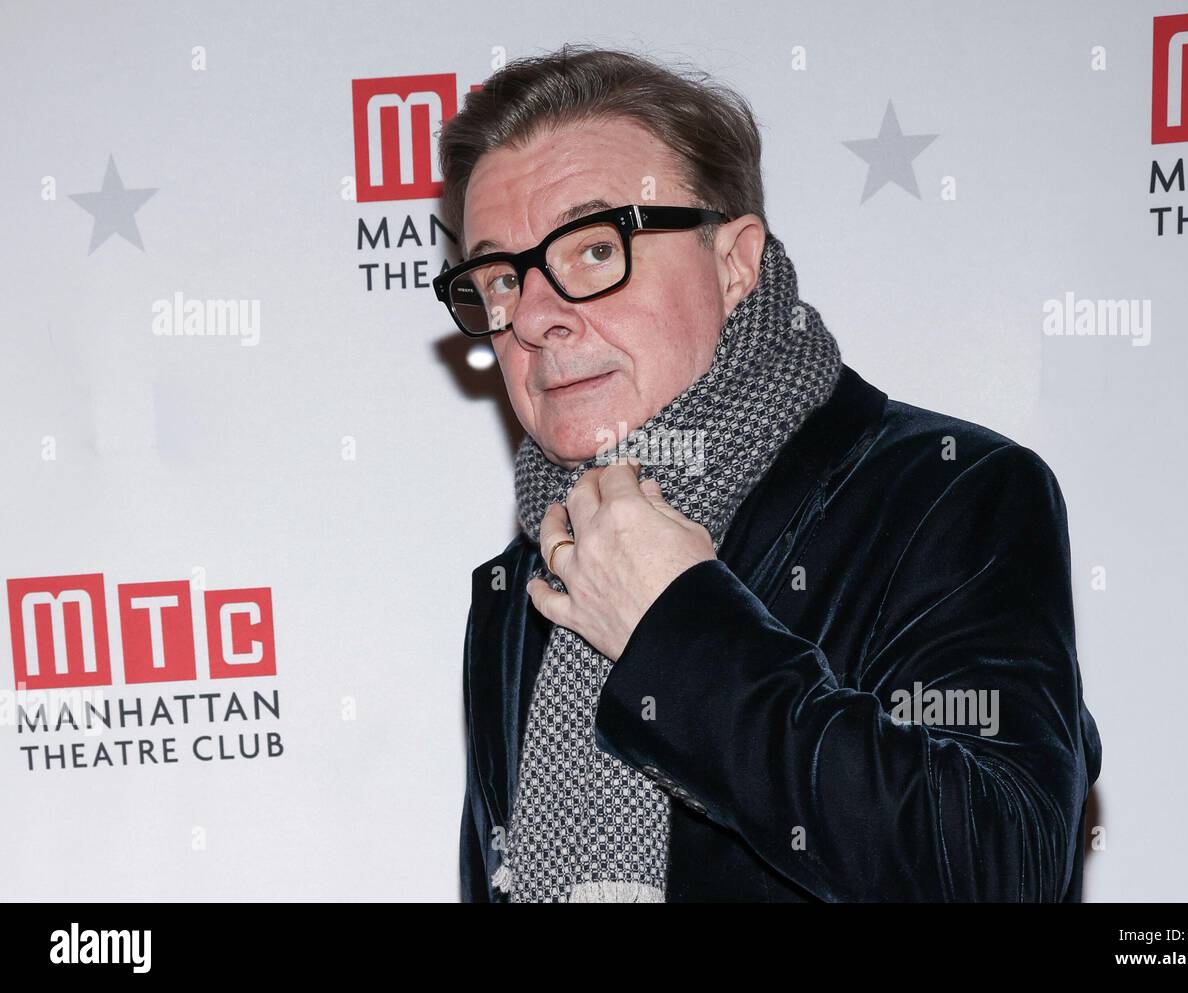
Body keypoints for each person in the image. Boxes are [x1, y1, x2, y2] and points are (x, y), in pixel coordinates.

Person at [436, 44, 1102, 902]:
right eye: (498, 277)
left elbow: (997, 867)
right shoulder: (522, 583)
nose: (532, 317)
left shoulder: (950, 494)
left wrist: (673, 622)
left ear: (735, 261)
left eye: (595, 250)